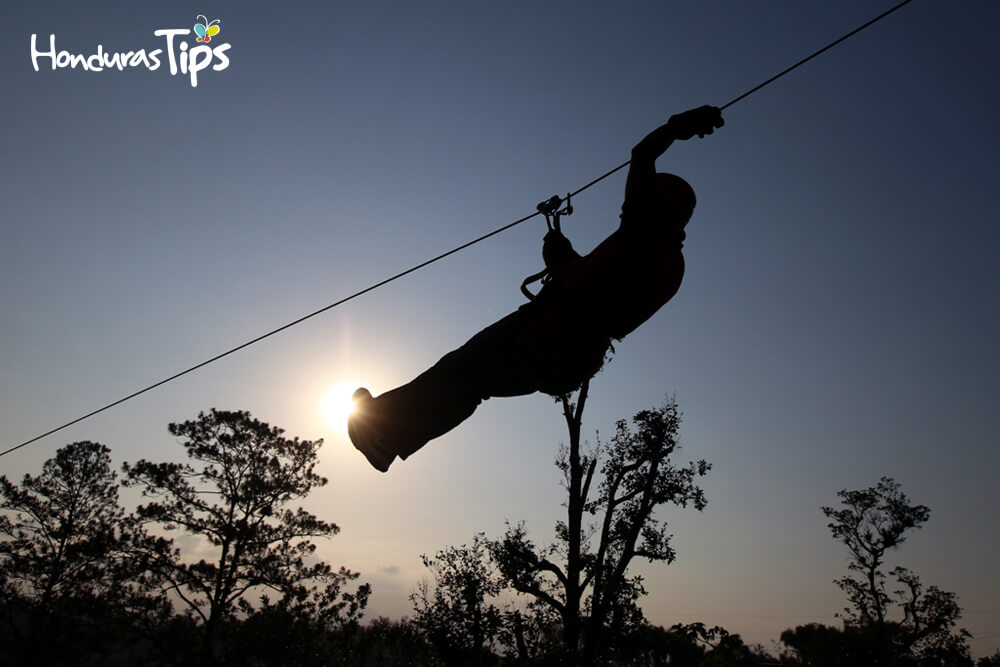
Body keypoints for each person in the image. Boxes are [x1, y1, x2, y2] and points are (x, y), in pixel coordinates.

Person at [348, 105, 724, 472]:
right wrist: (564, 261)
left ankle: (381, 428)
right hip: (568, 360)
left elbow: (642, 155)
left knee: (461, 370)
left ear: (658, 203)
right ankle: (387, 439)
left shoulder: (644, 232)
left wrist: (677, 127)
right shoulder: (672, 269)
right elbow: (602, 302)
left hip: (544, 329)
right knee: (471, 383)